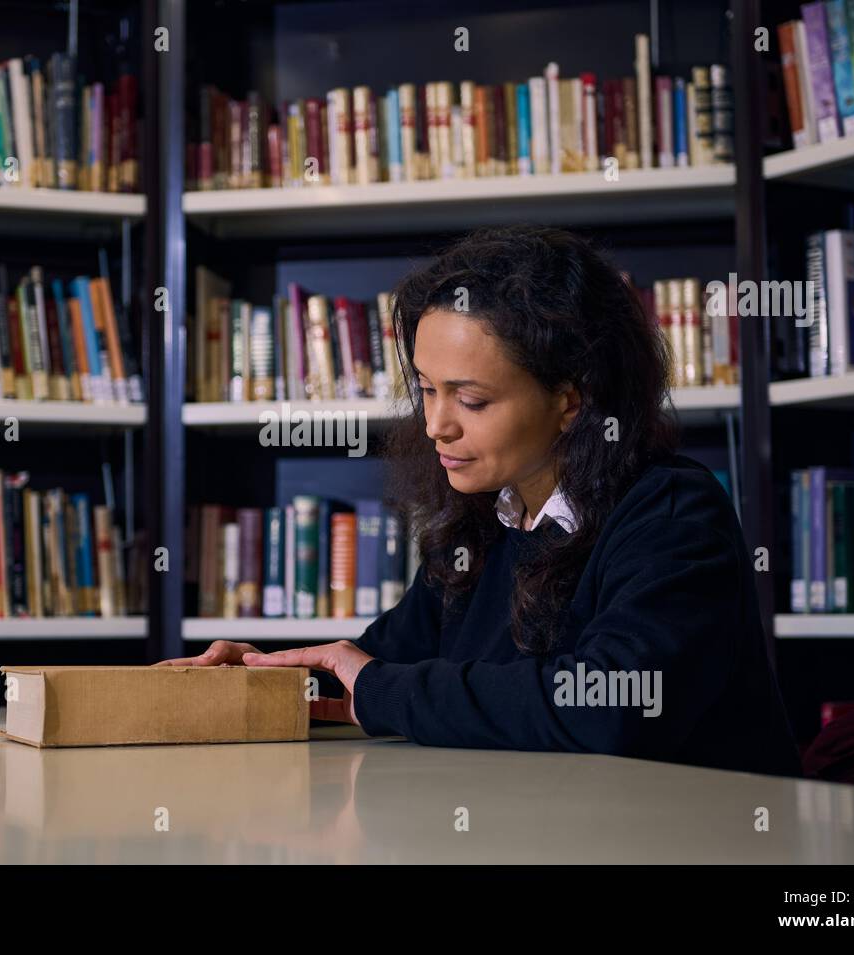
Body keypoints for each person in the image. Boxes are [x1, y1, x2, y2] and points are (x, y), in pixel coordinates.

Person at [157, 225, 801, 777]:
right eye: (427, 390)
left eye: (470, 400)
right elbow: (382, 668)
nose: (436, 424)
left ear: (569, 402)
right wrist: (272, 678)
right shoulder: (482, 523)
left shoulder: (671, 513)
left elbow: (614, 704)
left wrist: (378, 687)